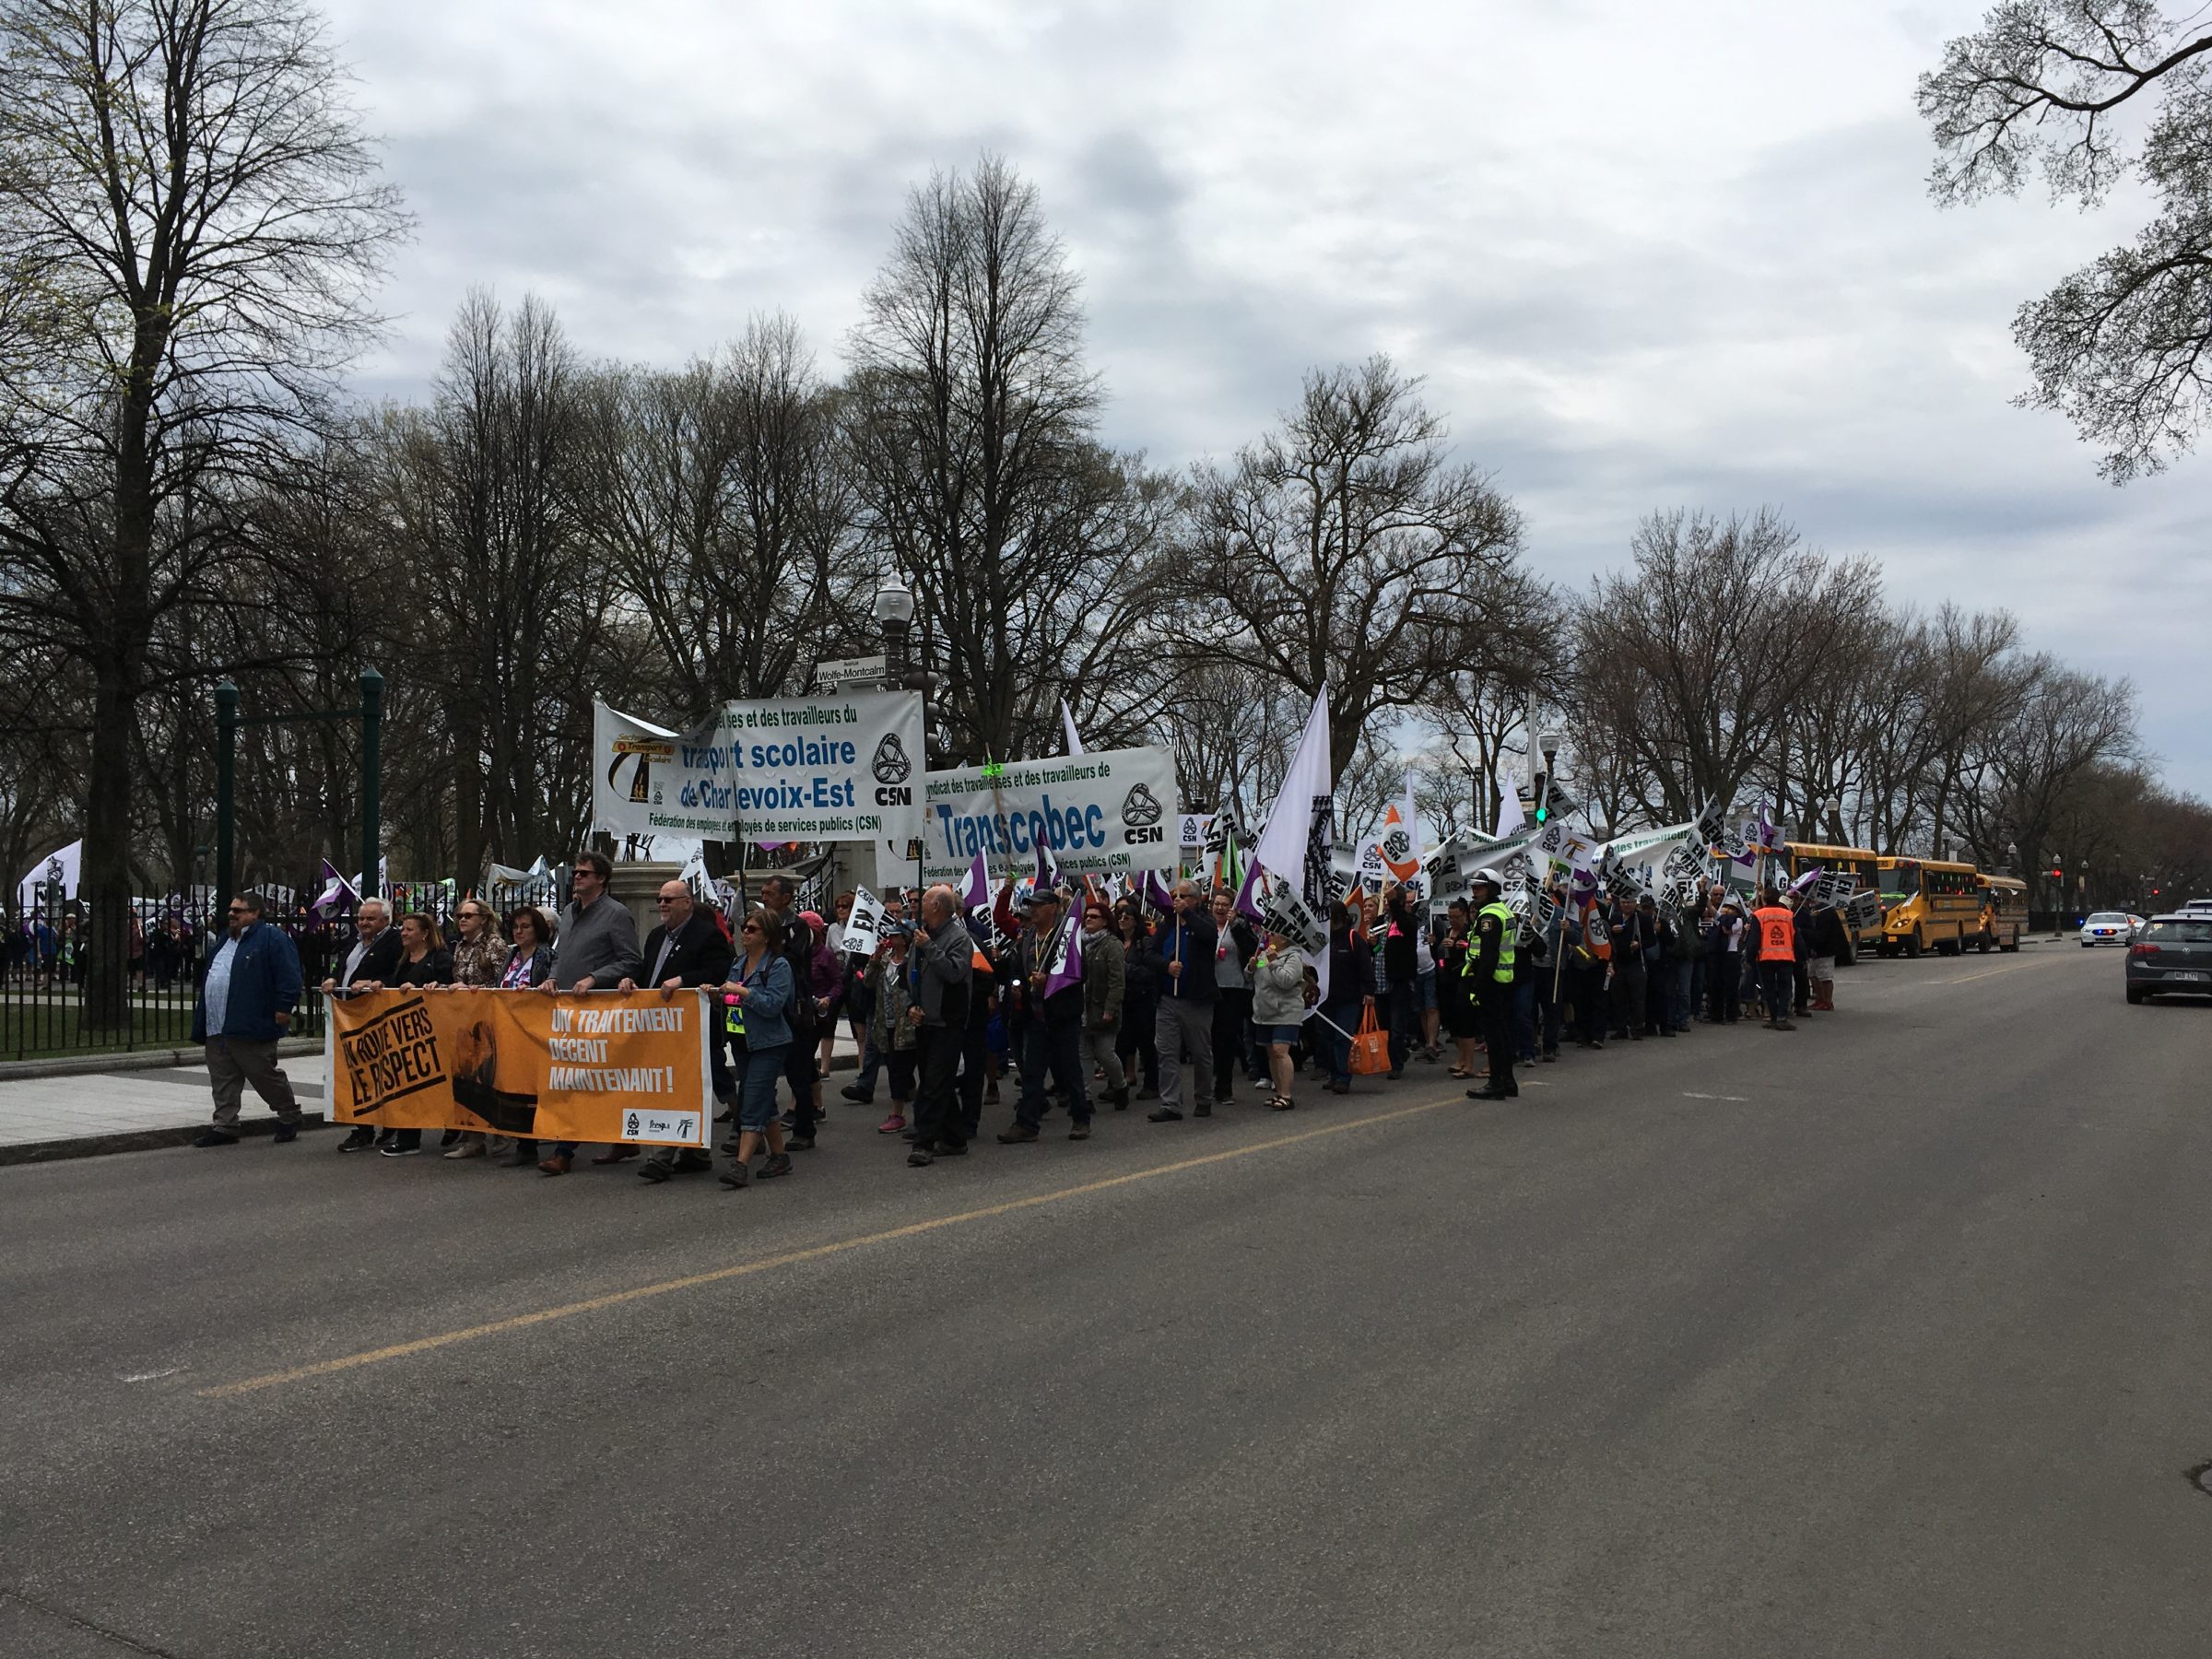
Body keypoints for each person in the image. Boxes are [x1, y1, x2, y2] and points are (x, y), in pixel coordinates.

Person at [535, 852, 644, 1176]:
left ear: (601, 880)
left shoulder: (616, 914)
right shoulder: (568, 912)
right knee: (579, 1078)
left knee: (587, 1078)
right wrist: (554, 975)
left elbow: (631, 960)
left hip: (601, 1009)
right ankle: (624, 1140)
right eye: (577, 873)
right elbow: (561, 953)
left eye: (585, 873)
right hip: (568, 1010)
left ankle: (564, 1152)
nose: (578, 877)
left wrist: (595, 977)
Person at [631, 879, 737, 1183]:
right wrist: (630, 980)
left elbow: (719, 971)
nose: (662, 904)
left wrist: (683, 979)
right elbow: (646, 972)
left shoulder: (706, 935)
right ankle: (697, 1152)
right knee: (675, 1088)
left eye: (669, 899)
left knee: (685, 1088)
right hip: (658, 1027)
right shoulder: (654, 937)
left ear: (687, 903)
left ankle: (662, 1157)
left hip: (693, 1028)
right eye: (659, 899)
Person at [190, 891, 305, 1147]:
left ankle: (288, 1114)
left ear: (255, 914)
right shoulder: (224, 940)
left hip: (251, 1021)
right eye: (231, 910)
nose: (231, 914)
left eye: (238, 910)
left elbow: (290, 975)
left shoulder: (272, 939)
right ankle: (225, 1125)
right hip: (217, 1022)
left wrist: (284, 1006)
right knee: (222, 1077)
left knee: (263, 1072)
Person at [999, 886, 1092, 1143]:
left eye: (1039, 905)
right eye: (1032, 905)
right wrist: (1017, 987)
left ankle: (1081, 1118)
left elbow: (1079, 973)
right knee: (1032, 1071)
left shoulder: (1066, 938)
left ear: (1053, 907)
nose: (1034, 910)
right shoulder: (1028, 938)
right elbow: (1017, 969)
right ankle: (1027, 1123)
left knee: (1070, 1069)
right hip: (1035, 1015)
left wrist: (1049, 980)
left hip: (1062, 1015)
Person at [716, 908, 797, 1188]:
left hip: (769, 1042)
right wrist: (717, 994)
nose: (745, 933)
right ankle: (780, 1155)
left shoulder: (778, 966)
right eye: (744, 928)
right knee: (763, 1098)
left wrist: (743, 992)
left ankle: (741, 1164)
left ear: (768, 936)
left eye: (752, 929)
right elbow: (730, 1000)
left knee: (751, 1099)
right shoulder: (738, 963)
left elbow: (773, 1005)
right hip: (742, 1041)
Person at [326, 898, 405, 1153]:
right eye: (361, 918)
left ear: (385, 920)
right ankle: (363, 1129)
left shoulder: (394, 941)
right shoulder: (353, 940)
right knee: (357, 1074)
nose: (364, 923)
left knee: (382, 1072)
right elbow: (343, 968)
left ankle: (388, 1123)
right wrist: (332, 978)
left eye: (370, 919)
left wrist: (375, 981)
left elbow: (399, 973)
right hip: (350, 1014)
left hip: (378, 1015)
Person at [905, 885, 975, 1166]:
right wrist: (912, 1005)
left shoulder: (959, 938)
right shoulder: (921, 936)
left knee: (933, 1083)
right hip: (925, 1020)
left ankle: (924, 1141)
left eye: (924, 900)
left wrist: (929, 948)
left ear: (937, 907)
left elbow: (954, 972)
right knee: (937, 1081)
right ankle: (955, 1137)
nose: (918, 904)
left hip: (948, 1021)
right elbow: (910, 974)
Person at [440, 898, 512, 1159]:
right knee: (467, 1078)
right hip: (465, 1020)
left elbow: (504, 981)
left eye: (469, 915)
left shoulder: (494, 945)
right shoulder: (460, 947)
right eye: (460, 915)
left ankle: (501, 1130)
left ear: (483, 918)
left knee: (491, 1076)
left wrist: (475, 991)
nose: (462, 920)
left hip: (490, 1021)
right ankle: (473, 1137)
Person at [757, 875, 823, 1151]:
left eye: (770, 893)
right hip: (766, 1006)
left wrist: (775, 939)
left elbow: (792, 960)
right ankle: (751, 1130)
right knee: (759, 1074)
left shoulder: (799, 928)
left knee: (798, 1072)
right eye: (762, 892)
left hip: (794, 1009)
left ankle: (805, 1129)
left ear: (786, 898)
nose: (764, 897)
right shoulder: (760, 924)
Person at [1148, 880, 1218, 1123]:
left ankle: (1203, 1098)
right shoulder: (1168, 924)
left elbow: (1208, 935)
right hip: (1168, 999)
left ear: (1195, 900)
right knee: (1166, 1051)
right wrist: (1166, 966)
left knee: (1200, 1053)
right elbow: (1150, 953)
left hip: (1196, 1000)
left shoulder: (1205, 921)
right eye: (1173, 895)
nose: (1175, 899)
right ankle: (1170, 1104)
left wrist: (1187, 914)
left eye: (1182, 895)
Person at [494, 904, 557, 1166]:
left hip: (535, 1029)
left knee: (534, 1087)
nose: (519, 932)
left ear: (538, 929)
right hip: (510, 1028)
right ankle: (523, 1143)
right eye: (516, 927)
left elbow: (551, 984)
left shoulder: (546, 955)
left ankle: (533, 1141)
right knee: (515, 1087)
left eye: (525, 927)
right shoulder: (512, 955)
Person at [1465, 869, 1520, 1100]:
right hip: (1504, 981)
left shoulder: (1489, 916)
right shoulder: (1502, 910)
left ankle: (1495, 1083)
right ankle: (1508, 1081)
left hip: (1491, 982)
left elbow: (1489, 955)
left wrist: (1478, 986)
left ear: (1493, 889)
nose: (1474, 891)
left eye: (1480, 887)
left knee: (1494, 1035)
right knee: (1502, 1033)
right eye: (1474, 887)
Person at [865, 924, 919, 1135]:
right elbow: (868, 983)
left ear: (904, 939)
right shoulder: (885, 960)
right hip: (886, 1022)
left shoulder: (914, 960)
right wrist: (875, 959)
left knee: (902, 1068)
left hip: (906, 1024)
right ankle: (906, 1108)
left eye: (894, 935)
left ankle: (904, 1112)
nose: (889, 938)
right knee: (895, 1067)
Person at [1207, 889, 1260, 1105]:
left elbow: (1253, 949)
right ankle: (1209, 1084)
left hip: (1234, 988)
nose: (1220, 908)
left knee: (1226, 1038)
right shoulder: (1206, 926)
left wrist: (1237, 925)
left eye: (1225, 904)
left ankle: (1224, 1087)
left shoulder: (1240, 926)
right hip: (1209, 988)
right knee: (1211, 1039)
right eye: (1217, 904)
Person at [1316, 901, 1371, 1096]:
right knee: (1327, 1037)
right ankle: (1333, 1073)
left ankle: (1343, 1077)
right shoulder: (1323, 940)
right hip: (1324, 998)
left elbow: (1365, 966)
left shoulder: (1352, 938)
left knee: (1342, 1038)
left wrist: (1368, 991)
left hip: (1348, 998)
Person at [1250, 926, 1307, 1111]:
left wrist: (1274, 963)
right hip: (1265, 1011)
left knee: (1280, 1050)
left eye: (1273, 934)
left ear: (1283, 939)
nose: (1269, 936)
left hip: (1286, 1011)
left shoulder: (1293, 957)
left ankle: (1287, 1095)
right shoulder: (1266, 954)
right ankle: (1279, 1092)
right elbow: (1255, 974)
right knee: (1271, 1053)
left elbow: (1287, 981)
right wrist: (1252, 967)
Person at [1079, 900, 1129, 1112]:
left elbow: (1117, 981)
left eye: (1094, 917)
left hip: (1102, 1007)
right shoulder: (1079, 943)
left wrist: (1110, 1008)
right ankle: (1085, 1097)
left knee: (1106, 1054)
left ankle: (1121, 1086)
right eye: (1087, 916)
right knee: (1084, 1055)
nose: (1089, 919)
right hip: (1082, 1007)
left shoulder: (1112, 945)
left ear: (1105, 921)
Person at [1114, 906, 1161, 1100]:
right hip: (1122, 999)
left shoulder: (1144, 943)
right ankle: (1117, 1083)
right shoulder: (1115, 943)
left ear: (1136, 920)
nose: (1123, 919)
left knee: (1146, 1043)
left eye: (1128, 916)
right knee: (1121, 1043)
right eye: (1120, 916)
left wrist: (1125, 968)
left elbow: (1150, 973)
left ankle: (1151, 1084)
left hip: (1142, 999)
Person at [1380, 883, 1422, 1077]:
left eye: (1391, 901)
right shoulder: (1381, 922)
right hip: (1380, 981)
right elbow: (1377, 949)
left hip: (1400, 981)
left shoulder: (1408, 921)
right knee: (1385, 1026)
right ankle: (1396, 1054)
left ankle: (1396, 1065)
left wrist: (1393, 900)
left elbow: (1404, 924)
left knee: (1397, 1027)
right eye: (1386, 901)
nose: (1387, 904)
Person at [1435, 900, 1481, 1077]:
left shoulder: (1470, 932)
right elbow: (1440, 957)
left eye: (1456, 917)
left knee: (1465, 1022)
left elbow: (1475, 952)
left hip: (1464, 979)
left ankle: (1468, 1062)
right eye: (1450, 917)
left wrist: (1459, 947)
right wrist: (1438, 946)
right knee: (1451, 1021)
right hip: (1447, 979)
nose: (1453, 920)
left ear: (1464, 915)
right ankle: (1461, 1057)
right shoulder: (1447, 931)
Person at [1751, 888, 1798, 1030]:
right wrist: (1802, 956)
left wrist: (1749, 957)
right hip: (1786, 957)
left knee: (1769, 989)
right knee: (1785, 988)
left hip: (1766, 958)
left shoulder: (1759, 915)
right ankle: (1782, 1017)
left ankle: (1773, 1017)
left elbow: (1754, 939)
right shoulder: (1788, 915)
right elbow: (1796, 936)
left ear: (1765, 899)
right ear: (1779, 899)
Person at [1706, 897, 1744, 1024]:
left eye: (1732, 909)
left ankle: (1731, 1015)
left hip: (1731, 955)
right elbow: (1712, 910)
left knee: (1731, 986)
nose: (1729, 910)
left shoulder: (1738, 922)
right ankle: (1716, 1014)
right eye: (1728, 908)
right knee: (1717, 985)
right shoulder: (1722, 919)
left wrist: (1723, 920)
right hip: (1720, 955)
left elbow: (1727, 930)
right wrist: (1704, 892)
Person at [1807, 900, 1848, 1013]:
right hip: (1814, 949)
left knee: (1825, 977)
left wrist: (1815, 943)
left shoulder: (1826, 911)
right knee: (1812, 974)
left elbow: (1824, 933)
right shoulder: (1814, 910)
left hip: (1826, 949)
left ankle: (1827, 1002)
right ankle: (1820, 999)